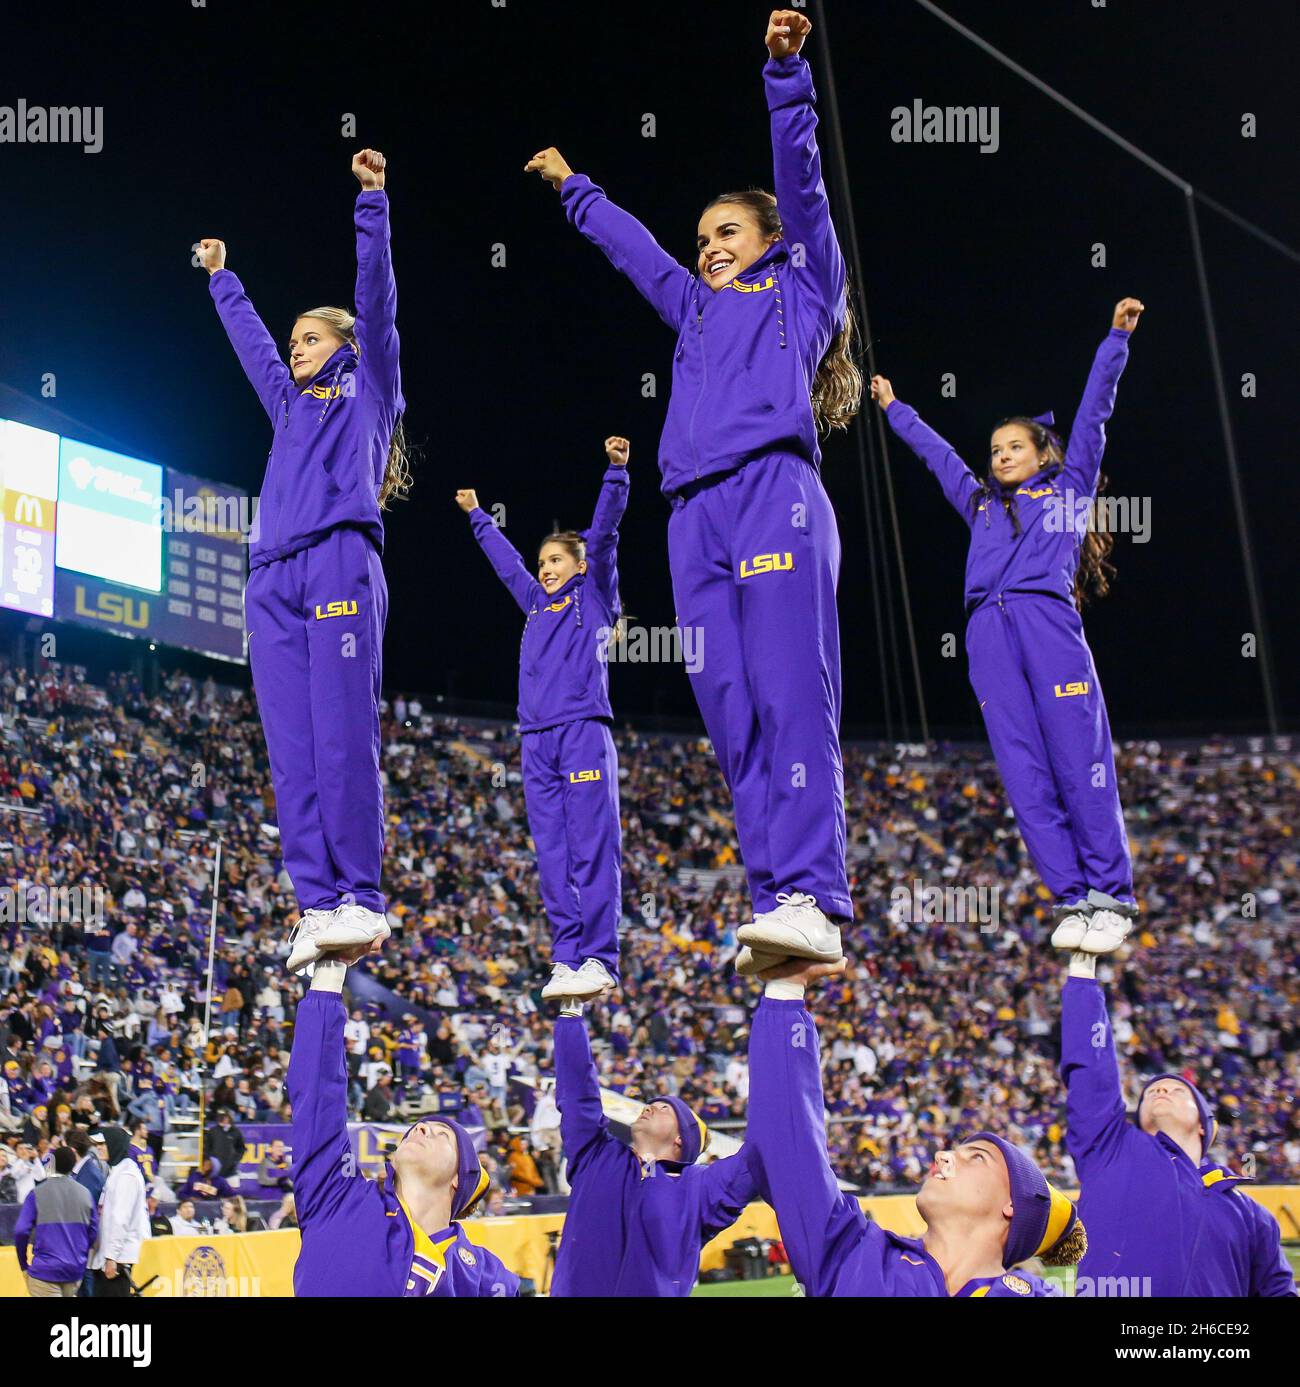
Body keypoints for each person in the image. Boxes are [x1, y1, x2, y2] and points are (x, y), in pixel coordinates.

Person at [527, 10, 860, 973]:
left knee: (792, 692)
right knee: (728, 704)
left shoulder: (801, 287)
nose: (709, 245)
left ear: (766, 240)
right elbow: (637, 254)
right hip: (692, 518)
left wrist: (785, 77)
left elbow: (802, 186)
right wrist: (575, 190)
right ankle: (774, 897)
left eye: (726, 231)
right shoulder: (694, 311)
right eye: (703, 235)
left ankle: (814, 891)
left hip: (774, 493)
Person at [870, 298, 1145, 953]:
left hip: (1047, 625)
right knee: (1023, 772)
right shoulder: (980, 506)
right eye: (994, 449)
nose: (1000, 456)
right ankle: (1073, 899)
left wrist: (1115, 341)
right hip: (987, 636)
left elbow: (1094, 416)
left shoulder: (1069, 489)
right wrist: (892, 408)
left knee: (1080, 760)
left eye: (1013, 446)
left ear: (1040, 452)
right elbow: (937, 458)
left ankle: (1112, 895)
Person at [197, 147, 408, 974]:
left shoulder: (370, 386)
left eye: (310, 338)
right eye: (296, 339)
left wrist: (372, 203)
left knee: (341, 738)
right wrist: (224, 279)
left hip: (339, 562)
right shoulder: (287, 403)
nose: (296, 348)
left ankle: (360, 894)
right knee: (290, 748)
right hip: (270, 579)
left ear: (344, 345)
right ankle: (317, 903)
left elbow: (376, 301)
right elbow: (252, 347)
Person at [748, 960, 1084, 1296]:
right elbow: (790, 1146)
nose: (942, 1156)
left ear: (1012, 1206)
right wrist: (786, 989)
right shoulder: (858, 1253)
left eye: (977, 1157)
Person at [456, 434, 629, 1001]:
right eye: (543, 563)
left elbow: (603, 539)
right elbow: (506, 565)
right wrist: (478, 516)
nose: (546, 569)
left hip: (583, 731)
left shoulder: (594, 596)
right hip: (536, 740)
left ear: (578, 565)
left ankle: (600, 955)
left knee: (591, 847)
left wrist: (615, 475)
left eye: (555, 560)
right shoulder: (535, 604)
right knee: (552, 851)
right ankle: (567, 956)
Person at [1060, 952, 1295, 1295]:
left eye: (1178, 1089)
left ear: (1204, 1125)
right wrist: (1082, 980)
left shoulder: (1252, 1215)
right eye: (1152, 1090)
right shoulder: (1111, 1151)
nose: (1161, 1088)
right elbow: (1092, 1072)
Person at [287, 955, 520, 1296]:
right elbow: (317, 1093)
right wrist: (330, 974)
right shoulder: (338, 1196)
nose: (421, 1129)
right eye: (416, 1128)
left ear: (459, 1177)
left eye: (442, 1134)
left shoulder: (486, 1277)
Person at [549, 999, 759, 1296]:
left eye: (663, 1108)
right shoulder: (597, 1155)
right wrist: (570, 1017)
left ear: (680, 1140)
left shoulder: (698, 1186)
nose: (649, 1107)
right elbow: (577, 1094)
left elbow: (758, 1155)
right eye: (651, 1103)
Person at [14, 1144, 97, 1297]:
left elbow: (20, 1231)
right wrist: (79, 1255)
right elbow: (93, 1232)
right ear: (73, 1165)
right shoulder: (86, 1194)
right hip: (74, 1271)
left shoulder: (36, 1194)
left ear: (52, 1164)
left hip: (45, 1271)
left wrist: (23, 1264)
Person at [87, 1126, 149, 1298]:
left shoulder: (126, 1176)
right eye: (97, 1144)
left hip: (117, 1259)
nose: (98, 1147)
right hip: (109, 1256)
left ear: (114, 1145)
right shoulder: (117, 1172)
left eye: (103, 1143)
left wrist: (111, 1257)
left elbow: (120, 1219)